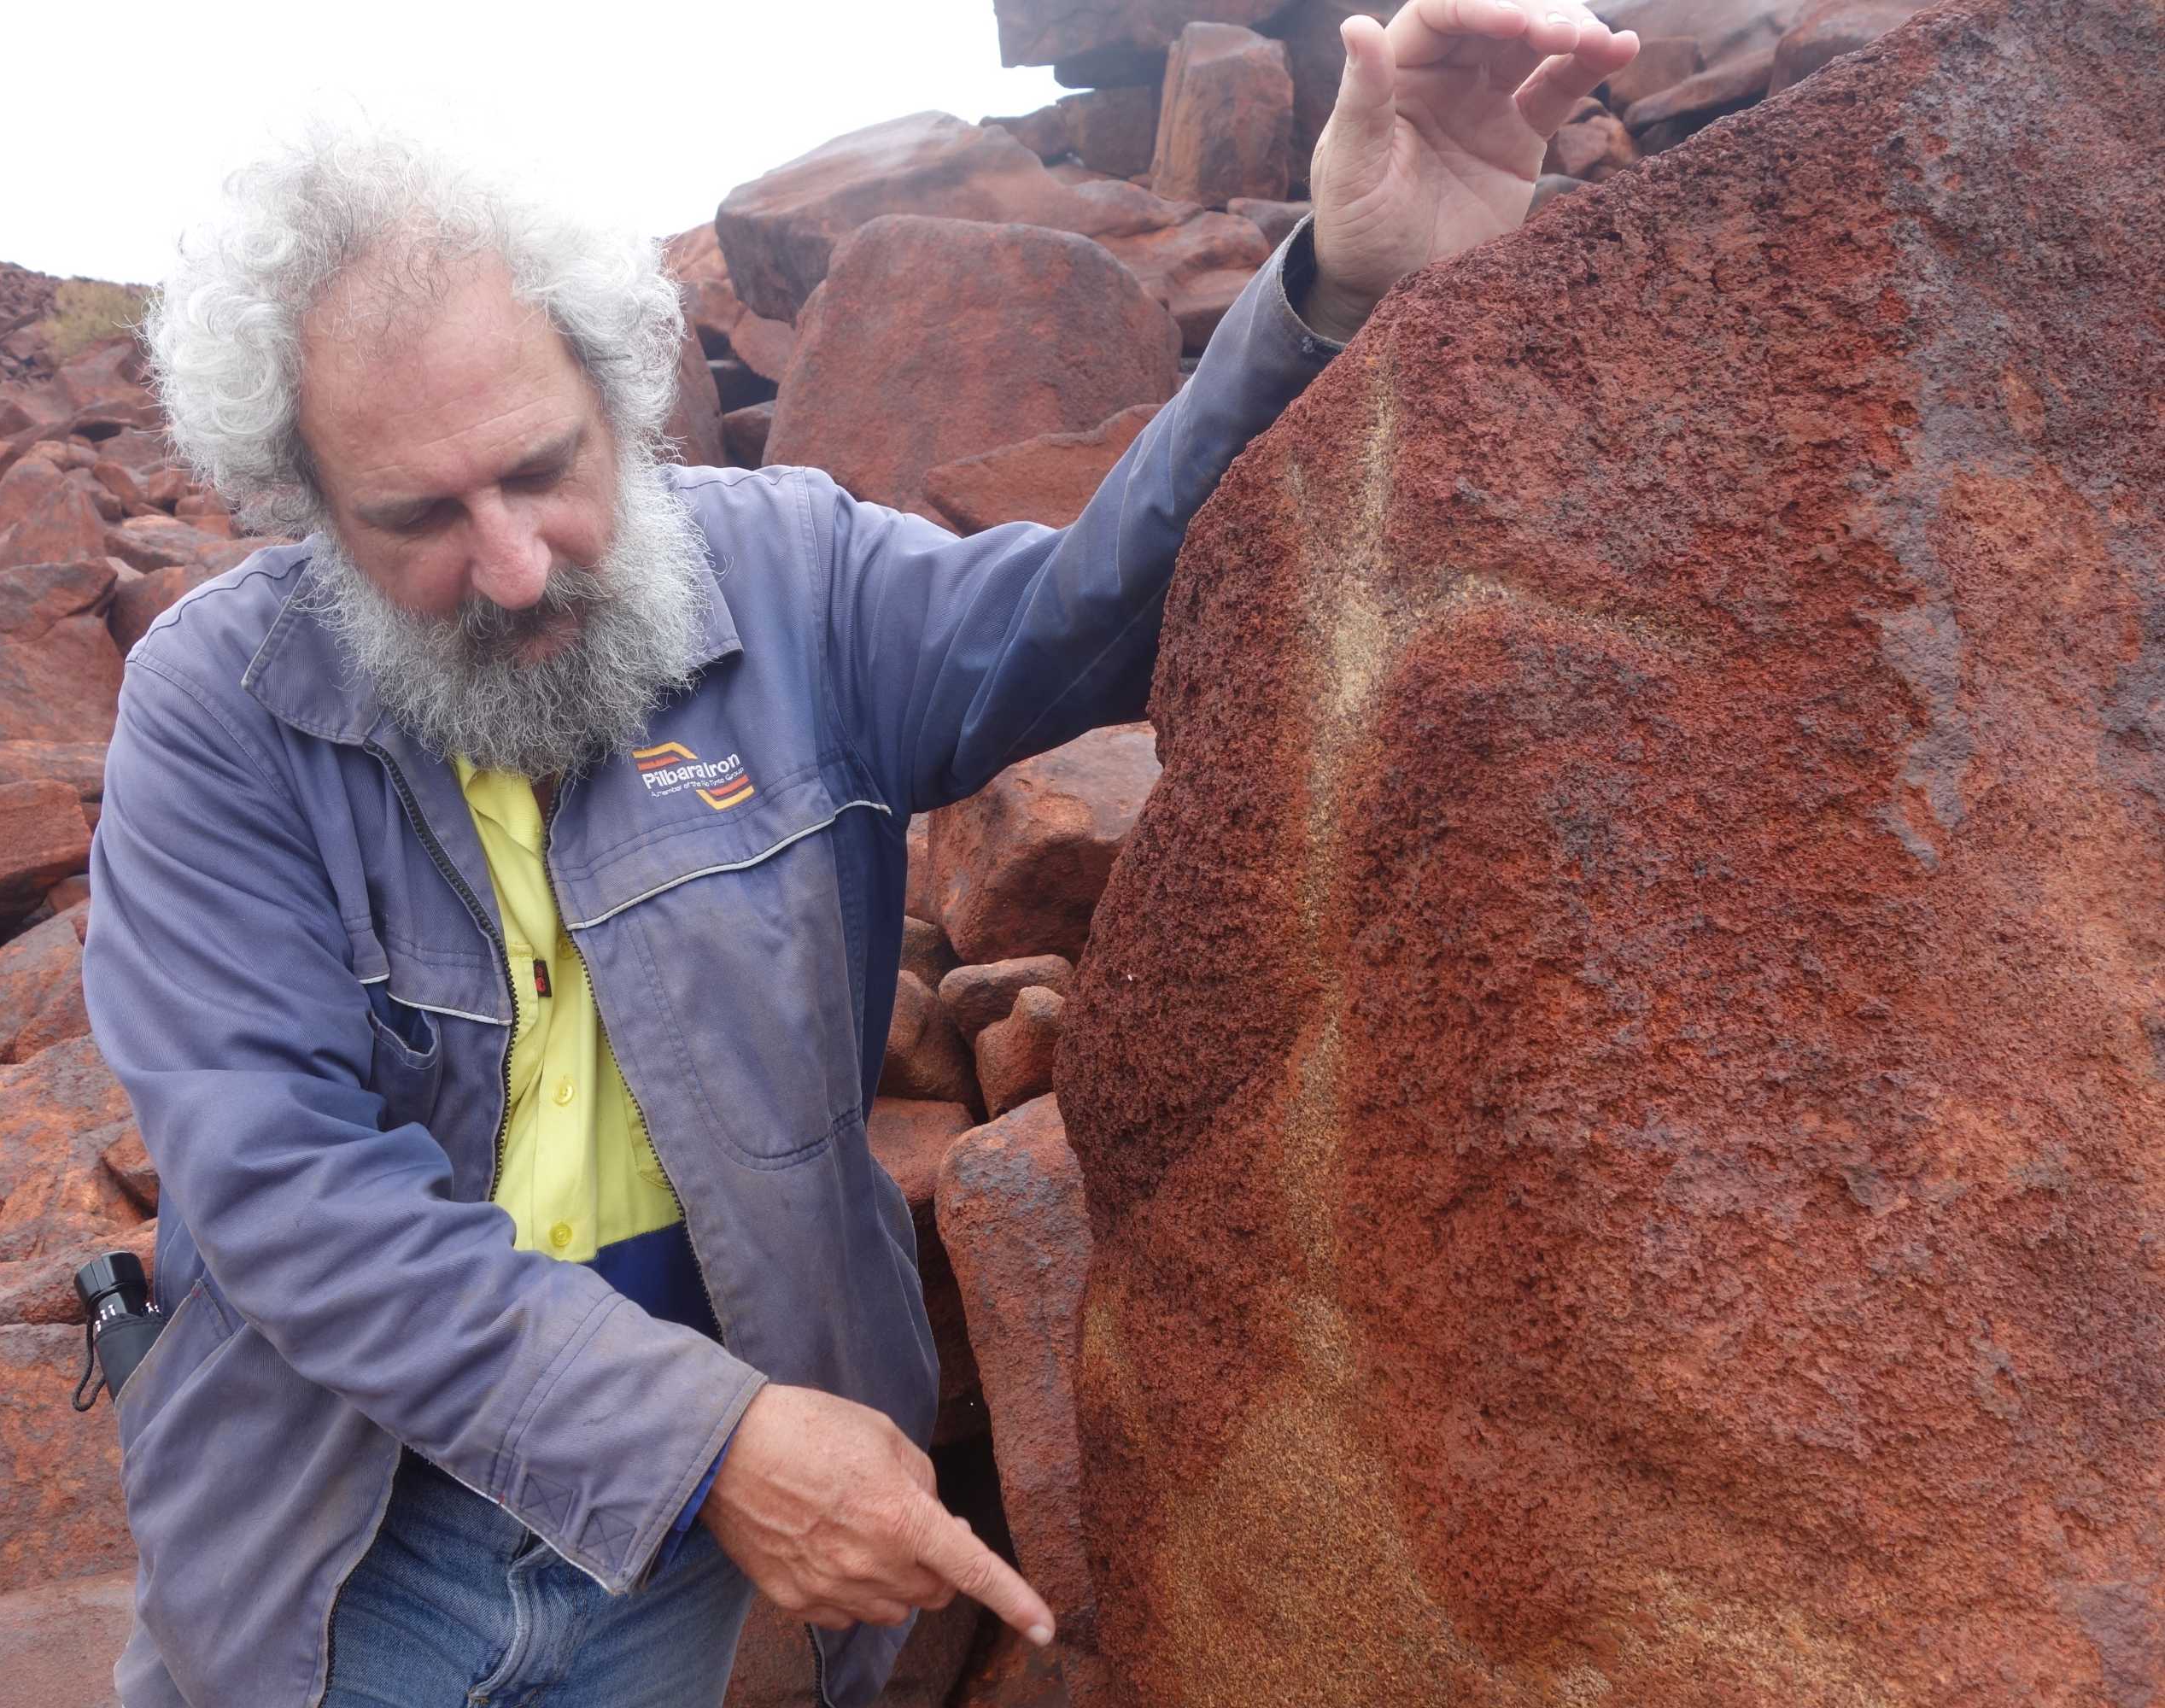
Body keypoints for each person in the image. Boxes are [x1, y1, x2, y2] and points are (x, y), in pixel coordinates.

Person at [80, 4, 1641, 1704]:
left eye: (545, 471)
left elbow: (1090, 613)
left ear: (619, 385)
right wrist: (715, 1442)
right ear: (303, 503)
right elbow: (283, 1192)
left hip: (682, 1580)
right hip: (339, 1556)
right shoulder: (214, 717)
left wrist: (1338, 292)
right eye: (419, 520)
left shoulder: (796, 579)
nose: (519, 565)